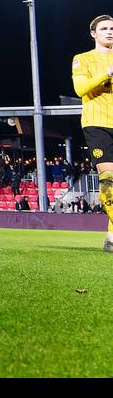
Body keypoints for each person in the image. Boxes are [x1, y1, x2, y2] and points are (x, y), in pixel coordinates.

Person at [71, 13, 113, 251]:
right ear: (93, 34)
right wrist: (107, 72)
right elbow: (80, 88)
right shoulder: (82, 59)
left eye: (112, 28)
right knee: (108, 178)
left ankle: (111, 237)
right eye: (104, 28)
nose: (110, 31)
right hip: (97, 123)